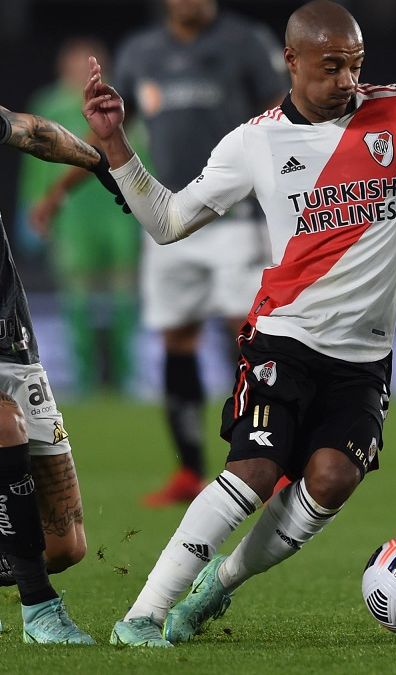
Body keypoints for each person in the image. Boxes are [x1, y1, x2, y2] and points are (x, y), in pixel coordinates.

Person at [86, 0, 396, 648]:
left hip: (363, 359)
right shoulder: (255, 142)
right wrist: (115, 144)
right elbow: (167, 221)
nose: (347, 81)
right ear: (291, 61)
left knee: (331, 481)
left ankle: (220, 583)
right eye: (331, 67)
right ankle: (144, 613)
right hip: (284, 336)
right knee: (255, 471)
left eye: (355, 65)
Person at [41, 0, 289, 507]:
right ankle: (189, 470)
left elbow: (283, 113)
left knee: (246, 333)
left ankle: (270, 459)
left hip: (235, 214)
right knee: (178, 337)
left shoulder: (245, 41)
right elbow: (105, 131)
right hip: (168, 213)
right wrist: (61, 188)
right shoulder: (141, 51)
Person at [0, 105, 129, 643]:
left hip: (11, 336)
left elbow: (33, 131)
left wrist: (98, 162)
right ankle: (40, 610)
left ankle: (33, 582)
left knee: (64, 545)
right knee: (4, 426)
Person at [22, 38, 140, 398]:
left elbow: (142, 152)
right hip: (73, 218)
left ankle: (125, 378)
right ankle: (85, 381)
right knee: (77, 300)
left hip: (117, 214)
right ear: (62, 68)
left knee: (124, 298)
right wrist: (34, 207)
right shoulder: (48, 104)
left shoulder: (116, 102)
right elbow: (34, 162)